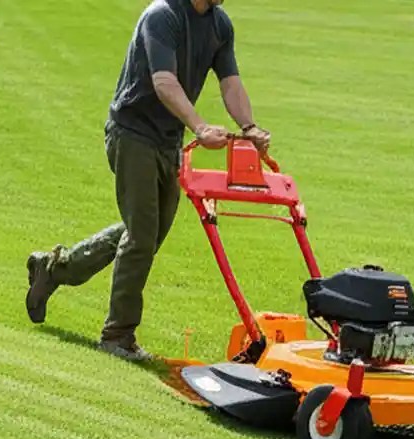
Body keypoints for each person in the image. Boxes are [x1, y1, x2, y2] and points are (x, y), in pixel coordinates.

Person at [25, 0, 271, 362]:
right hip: (132, 132)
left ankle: (54, 268)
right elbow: (163, 82)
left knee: (147, 234)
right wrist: (200, 127)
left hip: (167, 140)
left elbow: (230, 82)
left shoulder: (220, 25)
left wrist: (249, 127)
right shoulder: (163, 16)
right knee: (140, 236)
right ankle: (118, 335)